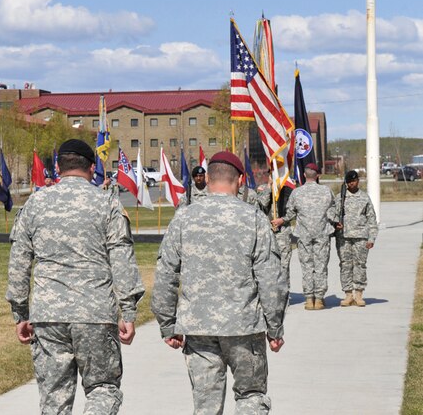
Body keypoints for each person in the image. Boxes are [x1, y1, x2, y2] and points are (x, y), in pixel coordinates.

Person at [7, 139, 145, 414]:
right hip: (95, 313)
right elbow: (122, 259)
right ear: (92, 168)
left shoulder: (35, 203)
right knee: (103, 389)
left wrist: (20, 313)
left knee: (54, 397)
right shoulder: (106, 202)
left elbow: (19, 262)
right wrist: (128, 312)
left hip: (49, 315)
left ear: (58, 167)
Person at [151, 151, 289, 414]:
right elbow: (271, 279)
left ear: (209, 179)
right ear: (240, 180)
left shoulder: (184, 218)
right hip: (244, 328)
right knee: (251, 398)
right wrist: (275, 328)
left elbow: (166, 274)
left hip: (199, 329)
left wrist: (168, 325)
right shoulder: (254, 218)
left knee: (205, 406)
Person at [272, 163, 335, 310]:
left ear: (305, 175)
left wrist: (281, 220)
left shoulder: (297, 193)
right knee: (320, 265)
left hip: (304, 234)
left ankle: (309, 299)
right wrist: (332, 221)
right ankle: (318, 299)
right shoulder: (326, 191)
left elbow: (290, 213)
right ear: (318, 175)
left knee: (307, 266)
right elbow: (333, 210)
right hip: (322, 233)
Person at [329, 170, 378, 307]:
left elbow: (372, 219)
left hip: (361, 237)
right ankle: (348, 294)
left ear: (358, 181)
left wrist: (371, 238)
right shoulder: (340, 197)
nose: (352, 184)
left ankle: (359, 294)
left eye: (354, 181)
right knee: (345, 265)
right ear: (346, 182)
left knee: (360, 265)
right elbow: (331, 212)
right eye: (349, 182)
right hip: (343, 237)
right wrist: (335, 222)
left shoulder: (364, 198)